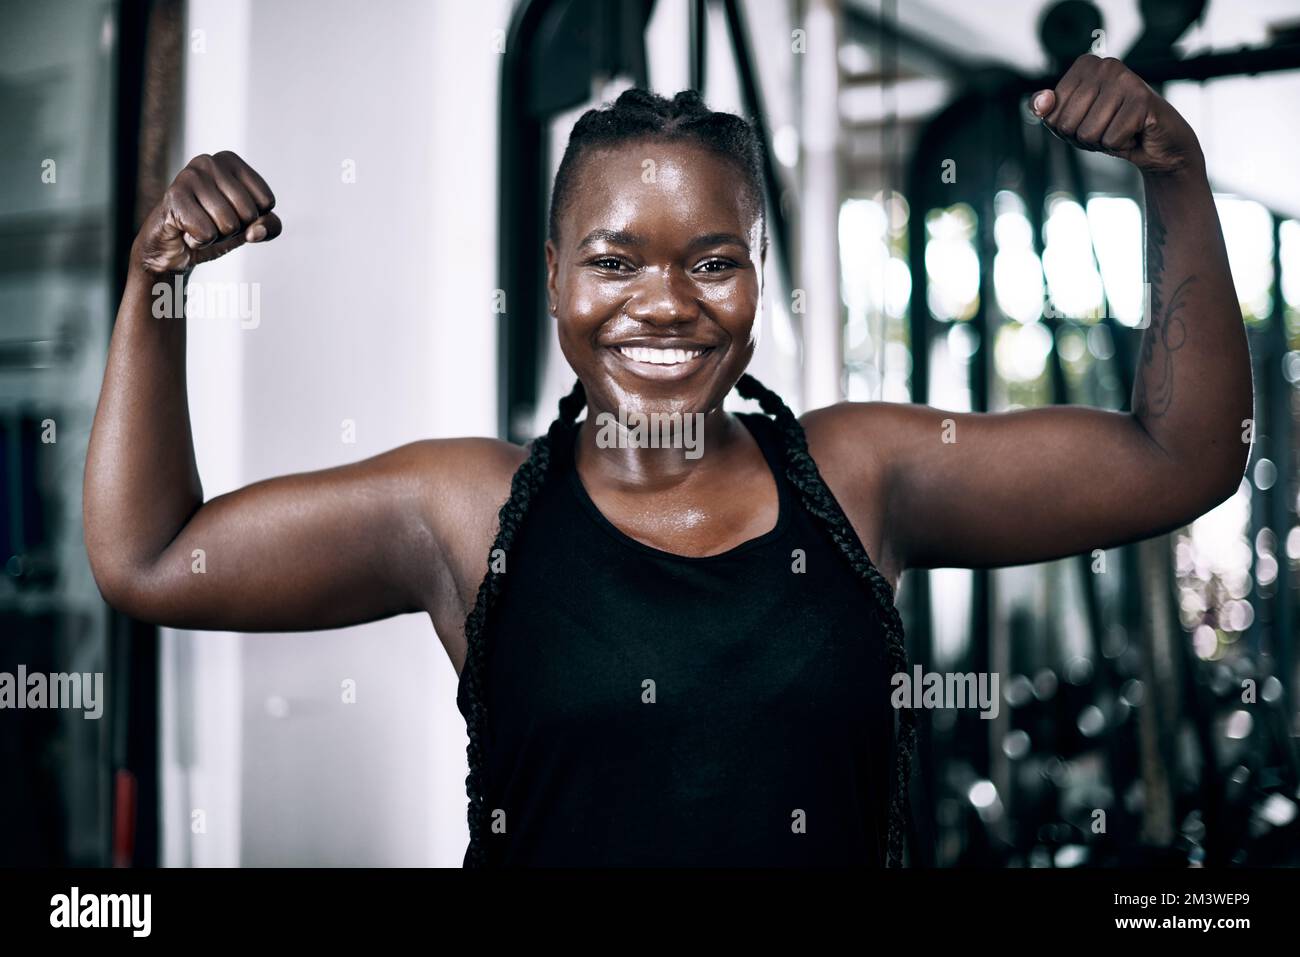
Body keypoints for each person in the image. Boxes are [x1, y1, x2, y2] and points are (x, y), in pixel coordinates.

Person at [83, 54, 1252, 867]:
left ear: (754, 277)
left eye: (710, 261)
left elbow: (1183, 459)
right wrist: (158, 285)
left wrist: (1173, 175)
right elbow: (149, 559)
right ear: (552, 278)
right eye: (613, 261)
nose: (665, 305)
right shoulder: (464, 511)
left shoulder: (861, 477)